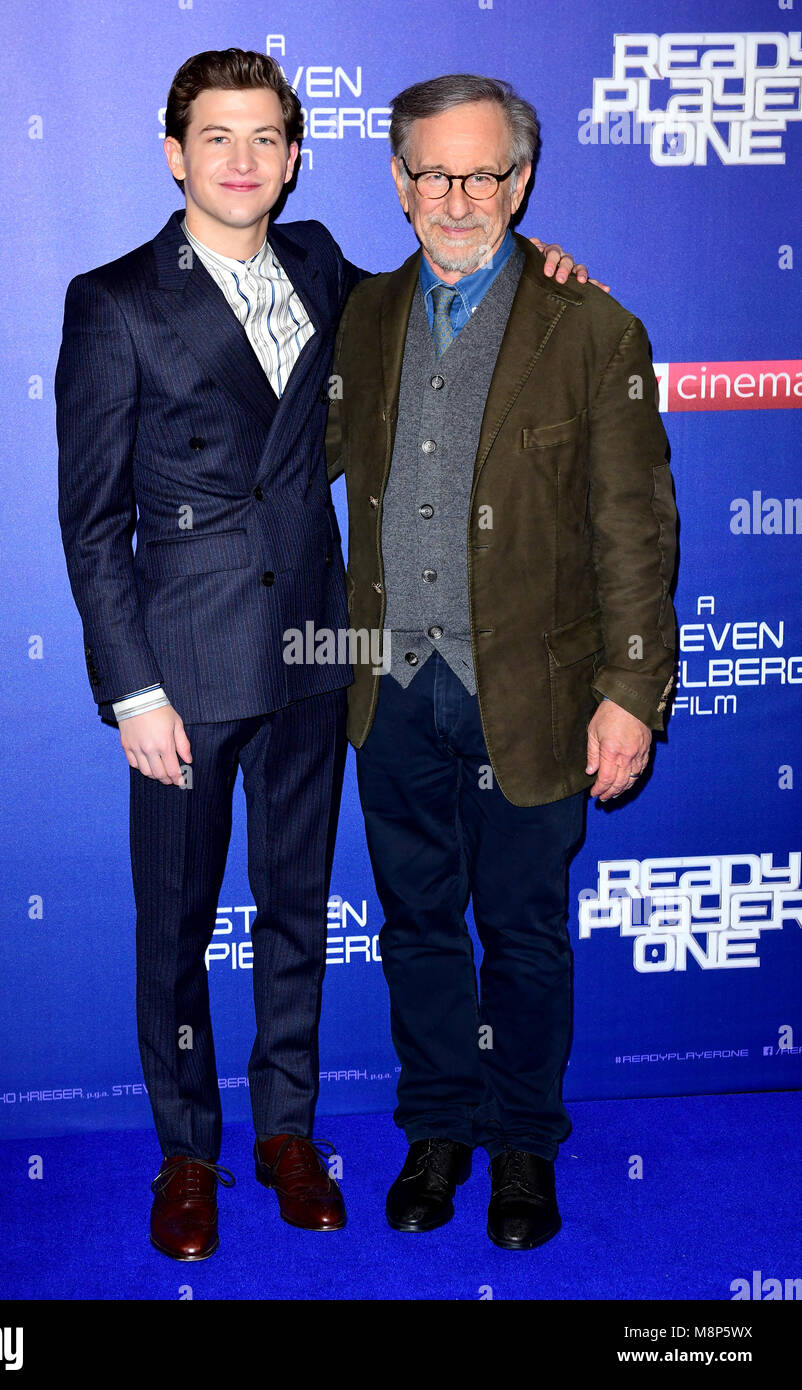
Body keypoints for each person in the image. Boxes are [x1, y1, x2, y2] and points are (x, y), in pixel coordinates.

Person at [56, 48, 590, 1262]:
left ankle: (286, 1132)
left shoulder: (322, 272)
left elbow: (459, 291)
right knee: (177, 926)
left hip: (317, 656)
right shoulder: (117, 299)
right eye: (217, 137)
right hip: (182, 673)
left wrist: (551, 271)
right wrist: (130, 687)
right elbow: (90, 523)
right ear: (174, 151)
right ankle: (189, 1152)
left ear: (296, 158)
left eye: (266, 140)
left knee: (297, 914)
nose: (242, 161)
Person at [325, 73, 678, 1250]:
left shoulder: (594, 327)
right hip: (391, 688)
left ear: (522, 182)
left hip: (535, 694)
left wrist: (632, 691)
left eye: (486, 173)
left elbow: (636, 526)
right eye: (436, 171)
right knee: (417, 926)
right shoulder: (362, 316)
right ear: (398, 180)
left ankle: (524, 1141)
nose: (461, 196)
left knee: (522, 934)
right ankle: (438, 1126)